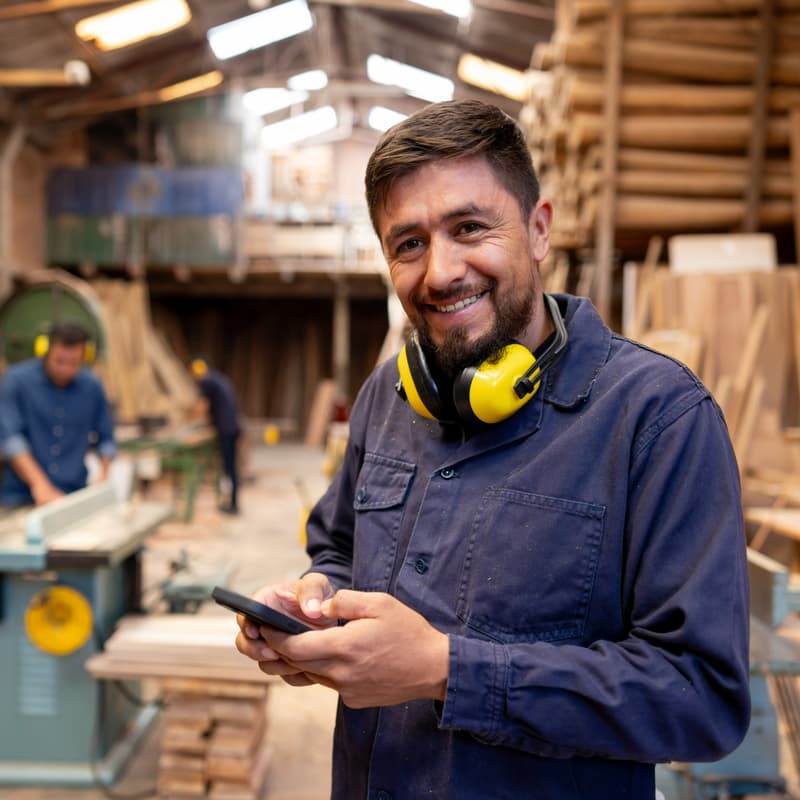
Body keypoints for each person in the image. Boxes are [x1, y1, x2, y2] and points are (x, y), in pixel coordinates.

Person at [234, 99, 750, 798]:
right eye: (408, 243)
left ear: (539, 229)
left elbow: (701, 698)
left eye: (469, 228)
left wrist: (448, 669)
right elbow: (337, 550)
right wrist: (312, 600)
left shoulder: (657, 419)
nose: (441, 271)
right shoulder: (391, 393)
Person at [0, 320, 116, 506]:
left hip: (72, 494)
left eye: (74, 363)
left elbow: (107, 439)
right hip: (21, 496)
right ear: (45, 351)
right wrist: (40, 485)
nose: (66, 370)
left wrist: (103, 475)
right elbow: (11, 440)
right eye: (59, 361)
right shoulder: (16, 381)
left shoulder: (92, 386)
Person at [190, 358, 242, 515]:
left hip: (226, 429)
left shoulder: (206, 382)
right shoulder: (217, 379)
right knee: (230, 467)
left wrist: (192, 422)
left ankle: (233, 505)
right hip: (232, 426)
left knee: (229, 467)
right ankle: (231, 502)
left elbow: (202, 407)